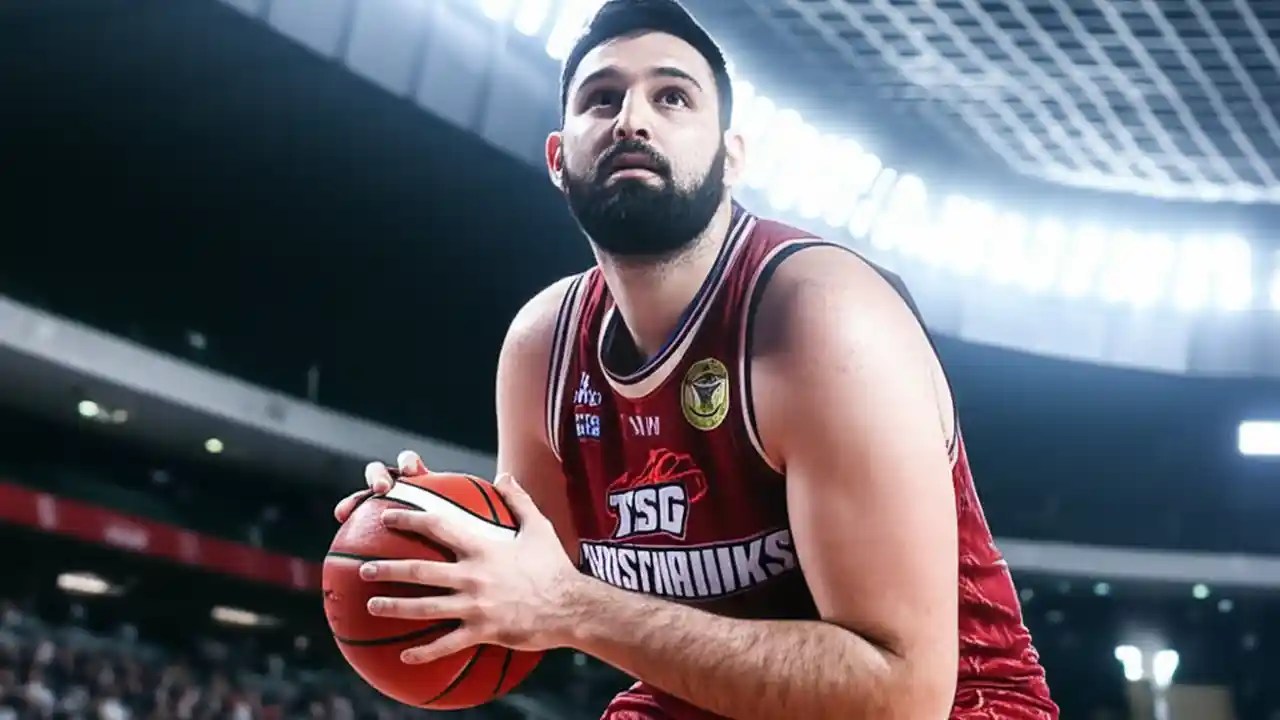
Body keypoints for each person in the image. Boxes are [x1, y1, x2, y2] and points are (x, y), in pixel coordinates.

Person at [334, 0, 1058, 718]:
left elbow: (903, 696)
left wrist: (572, 607)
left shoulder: (822, 314)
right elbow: (529, 587)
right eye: (602, 98)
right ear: (558, 160)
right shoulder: (542, 347)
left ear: (731, 157)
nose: (631, 119)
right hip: (703, 698)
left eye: (672, 97)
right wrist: (425, 534)